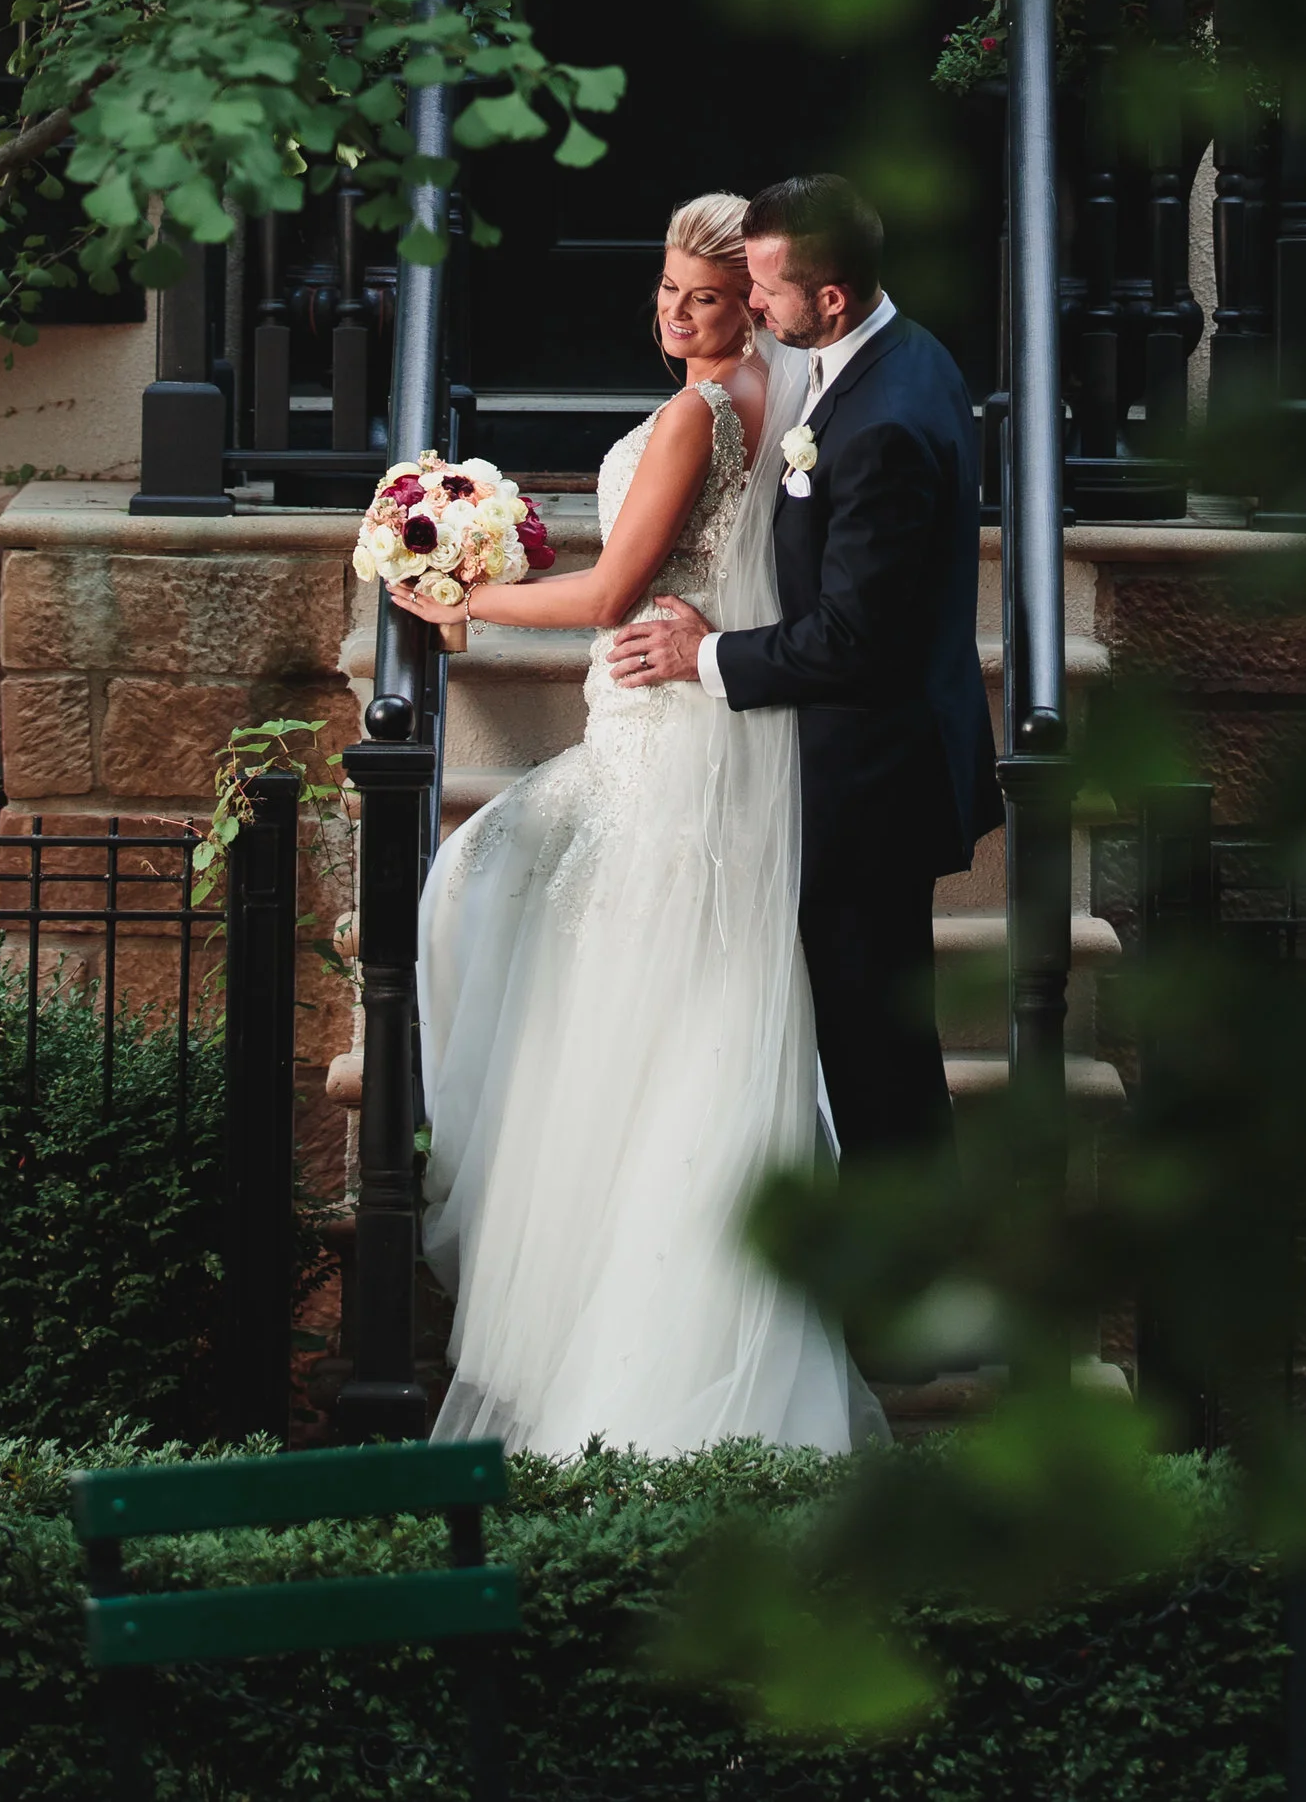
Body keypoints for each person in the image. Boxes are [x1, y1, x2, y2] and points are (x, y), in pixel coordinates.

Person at [401, 194, 879, 1456]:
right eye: (666, 289)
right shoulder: (794, 399)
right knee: (688, 992)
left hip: (666, 726)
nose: (675, 313)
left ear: (751, 304)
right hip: (725, 722)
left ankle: (615, 1327)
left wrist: (464, 590)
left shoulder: (696, 413)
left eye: (705, 297)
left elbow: (620, 590)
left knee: (494, 880)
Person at [612, 172, 1000, 1163]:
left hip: (869, 783)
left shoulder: (886, 426)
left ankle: (903, 1284)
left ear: (829, 299)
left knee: (877, 1065)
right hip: (863, 762)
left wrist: (707, 654)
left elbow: (851, 637)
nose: (750, 305)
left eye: (766, 290)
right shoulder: (893, 356)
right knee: (877, 1052)